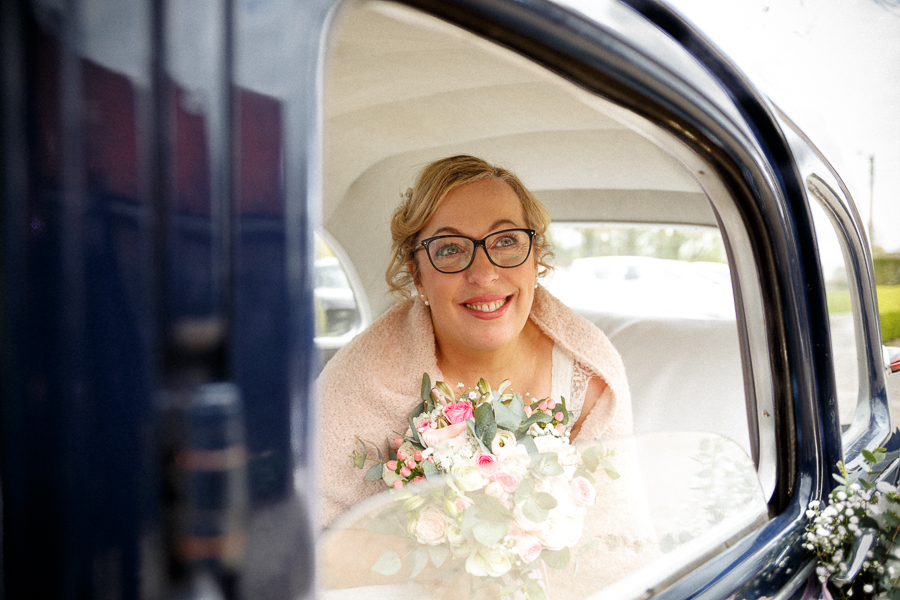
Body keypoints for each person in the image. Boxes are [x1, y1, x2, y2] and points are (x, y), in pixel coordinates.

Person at [317, 155, 632, 527]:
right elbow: (309, 540)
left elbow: (614, 545)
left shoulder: (591, 379)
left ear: (535, 262)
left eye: (505, 241)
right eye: (450, 248)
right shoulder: (359, 383)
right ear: (418, 276)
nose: (483, 273)